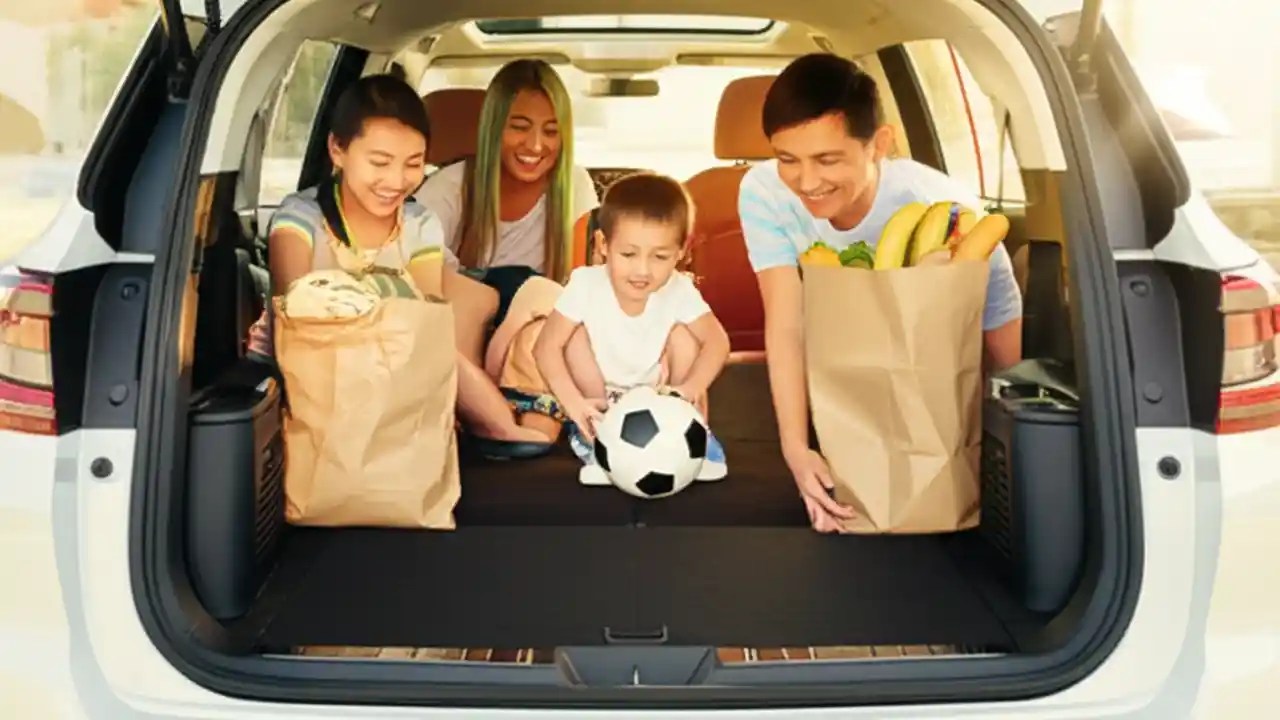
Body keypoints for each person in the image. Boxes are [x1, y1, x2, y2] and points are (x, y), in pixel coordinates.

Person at [738, 53, 1024, 533]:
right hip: (840, 391)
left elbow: (999, 322)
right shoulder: (764, 192)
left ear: (879, 145)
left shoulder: (941, 208)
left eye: (828, 159)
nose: (806, 182)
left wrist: (1011, 449)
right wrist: (795, 446)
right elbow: (787, 321)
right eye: (788, 159)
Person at [260, 73, 549, 447]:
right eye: (379, 162)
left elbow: (426, 313)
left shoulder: (418, 222)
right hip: (314, 364)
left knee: (433, 339)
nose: (396, 180)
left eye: (413, 163)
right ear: (337, 150)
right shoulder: (300, 218)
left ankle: (498, 431)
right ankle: (495, 428)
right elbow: (294, 311)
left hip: (393, 359)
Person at [534, 173, 731, 485]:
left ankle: (691, 431)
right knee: (572, 336)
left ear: (682, 251)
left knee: (684, 335)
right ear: (602, 244)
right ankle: (597, 438)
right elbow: (545, 348)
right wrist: (574, 404)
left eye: (660, 256)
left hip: (660, 395)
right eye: (628, 254)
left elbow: (717, 342)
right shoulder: (585, 283)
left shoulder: (678, 289)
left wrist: (691, 387)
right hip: (597, 399)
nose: (642, 270)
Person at [415, 58, 599, 361]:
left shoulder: (575, 185)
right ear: (493, 127)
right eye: (519, 127)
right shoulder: (449, 187)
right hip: (460, 342)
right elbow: (418, 264)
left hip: (542, 345)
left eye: (551, 131)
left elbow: (587, 281)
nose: (536, 146)